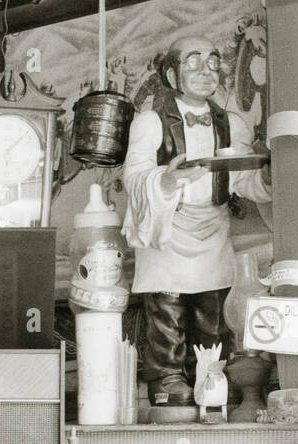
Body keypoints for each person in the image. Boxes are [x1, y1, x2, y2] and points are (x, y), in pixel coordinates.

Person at [122, 34, 271, 408]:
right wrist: (166, 180)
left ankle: (212, 375)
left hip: (213, 227)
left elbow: (241, 180)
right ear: (172, 74)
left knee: (213, 311)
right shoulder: (149, 124)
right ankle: (166, 379)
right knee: (167, 313)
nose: (205, 70)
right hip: (169, 227)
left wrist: (267, 177)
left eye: (212, 61)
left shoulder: (232, 125)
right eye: (192, 61)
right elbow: (134, 178)